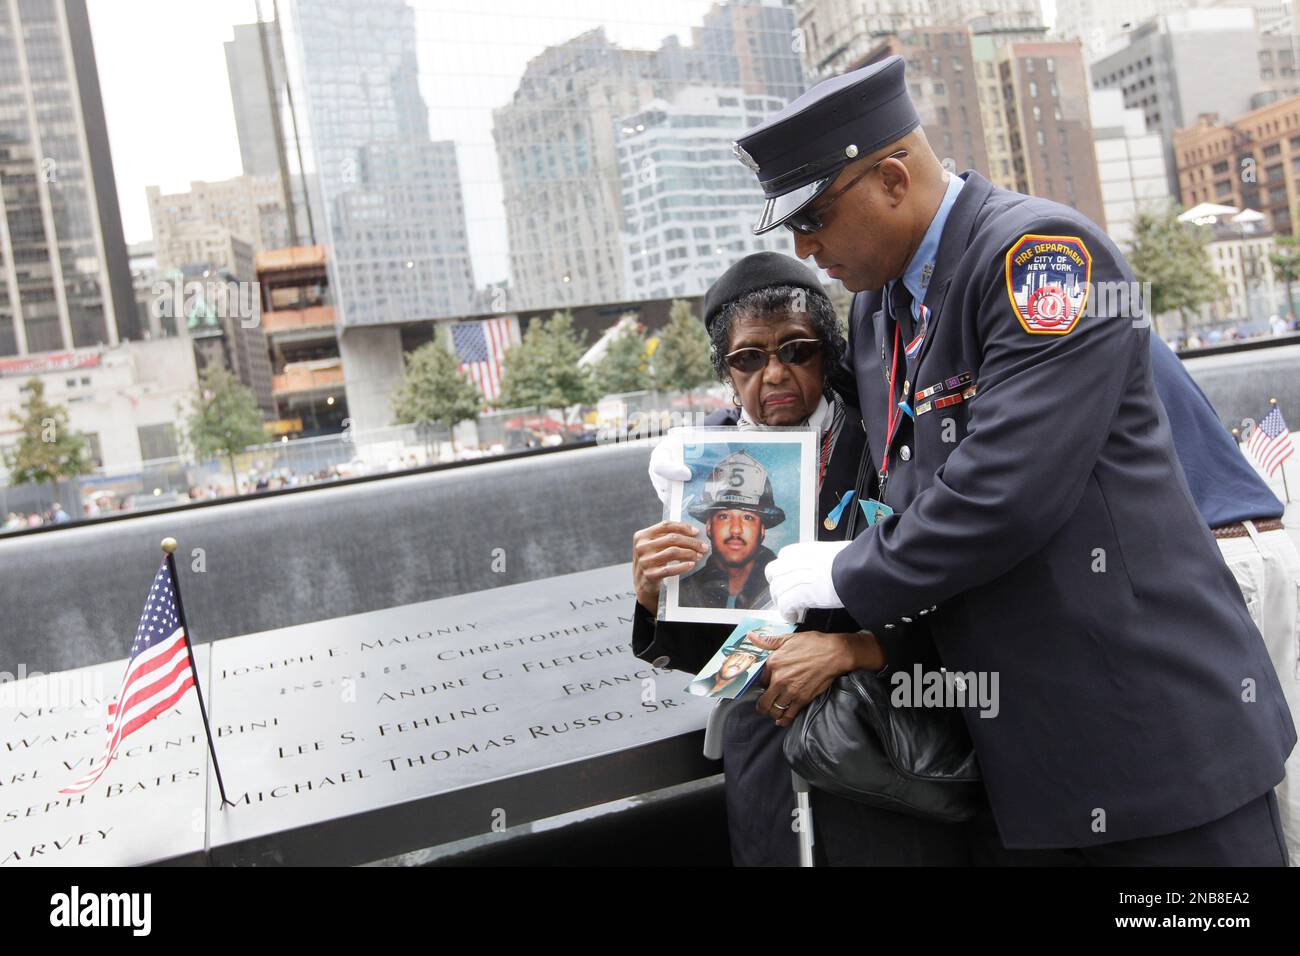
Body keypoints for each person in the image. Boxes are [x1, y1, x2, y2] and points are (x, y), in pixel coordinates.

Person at [734, 55, 1294, 864]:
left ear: (893, 178)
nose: (806, 245)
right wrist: (722, 464)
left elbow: (1005, 493)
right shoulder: (879, 312)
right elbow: (878, 457)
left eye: (815, 215)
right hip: (1024, 765)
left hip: (1150, 748)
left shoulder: (1040, 257)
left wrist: (847, 575)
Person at [631, 252, 969, 866]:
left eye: (797, 349)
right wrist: (655, 597)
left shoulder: (893, 442)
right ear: (727, 373)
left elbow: (963, 603)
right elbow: (703, 658)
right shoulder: (705, 472)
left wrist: (855, 649)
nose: (775, 373)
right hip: (766, 753)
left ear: (829, 354)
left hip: (886, 751)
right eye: (749, 358)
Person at [1149, 334, 1300, 862]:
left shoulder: (1040, 325)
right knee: (1285, 772)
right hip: (1259, 543)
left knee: (1250, 791)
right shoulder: (1105, 312)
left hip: (1221, 555)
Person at [677, 450, 784, 610]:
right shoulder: (681, 595)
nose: (735, 530)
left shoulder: (786, 588)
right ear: (708, 526)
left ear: (762, 529)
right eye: (724, 517)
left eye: (748, 517)